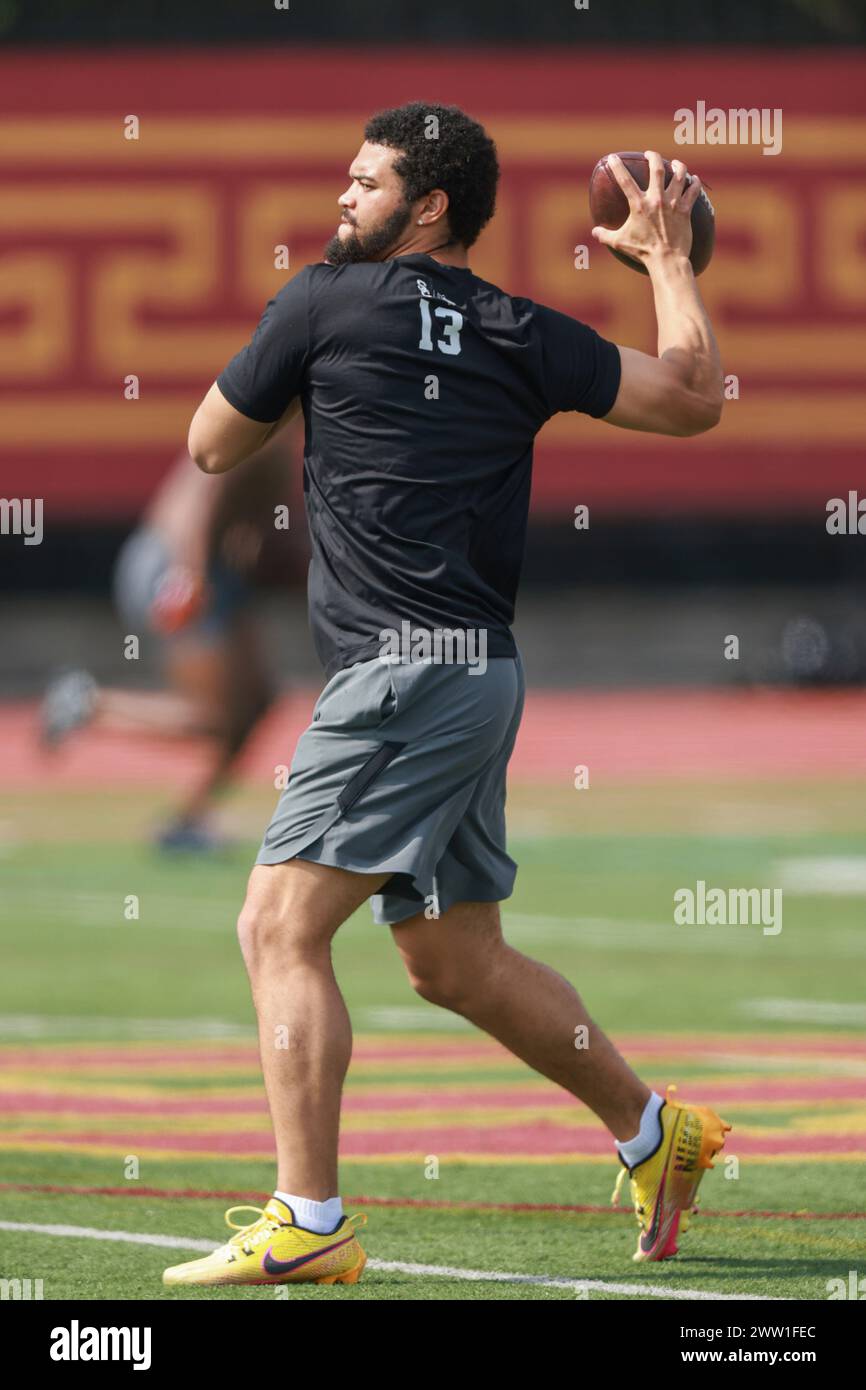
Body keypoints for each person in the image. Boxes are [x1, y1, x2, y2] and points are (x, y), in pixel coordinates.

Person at [162, 103, 729, 1288]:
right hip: (479, 674)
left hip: (398, 672)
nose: (340, 201)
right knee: (449, 957)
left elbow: (211, 445)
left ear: (427, 206)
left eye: (362, 182)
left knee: (274, 923)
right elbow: (692, 396)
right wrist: (667, 262)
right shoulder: (519, 329)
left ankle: (309, 1220)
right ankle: (650, 1129)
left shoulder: (320, 299)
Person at [41, 434, 294, 850]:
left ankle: (187, 820)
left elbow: (249, 530)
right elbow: (200, 498)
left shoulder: (290, 442)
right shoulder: (265, 431)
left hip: (215, 574)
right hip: (175, 565)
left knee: (257, 703)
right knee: (214, 717)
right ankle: (88, 702)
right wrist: (187, 576)